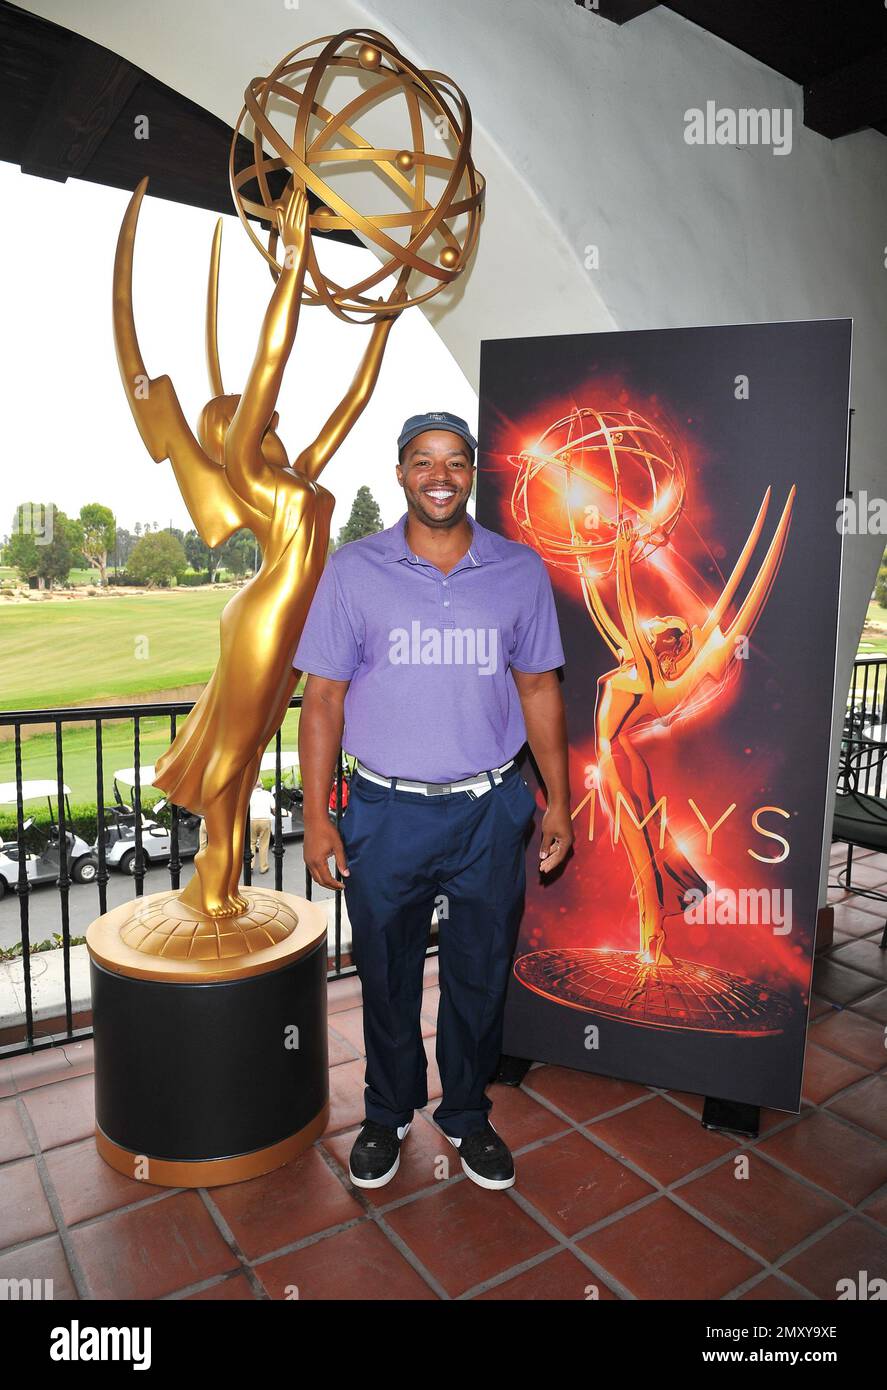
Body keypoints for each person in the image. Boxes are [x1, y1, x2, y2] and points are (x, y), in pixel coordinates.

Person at [294, 411, 573, 1192]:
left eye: (454, 461)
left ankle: (465, 1112)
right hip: (385, 813)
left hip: (490, 809)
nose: (439, 475)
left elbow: (539, 687)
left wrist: (558, 801)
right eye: (423, 461)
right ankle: (386, 1112)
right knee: (383, 972)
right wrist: (318, 816)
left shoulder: (518, 570)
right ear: (401, 474)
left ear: (471, 473)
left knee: (480, 973)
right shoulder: (354, 570)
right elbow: (322, 701)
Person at [248, 780, 275, 874]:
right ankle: (263, 867)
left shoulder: (250, 795)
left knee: (252, 843)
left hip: (252, 820)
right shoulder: (268, 794)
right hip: (265, 820)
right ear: (262, 786)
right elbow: (274, 808)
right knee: (263, 844)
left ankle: (250, 865)